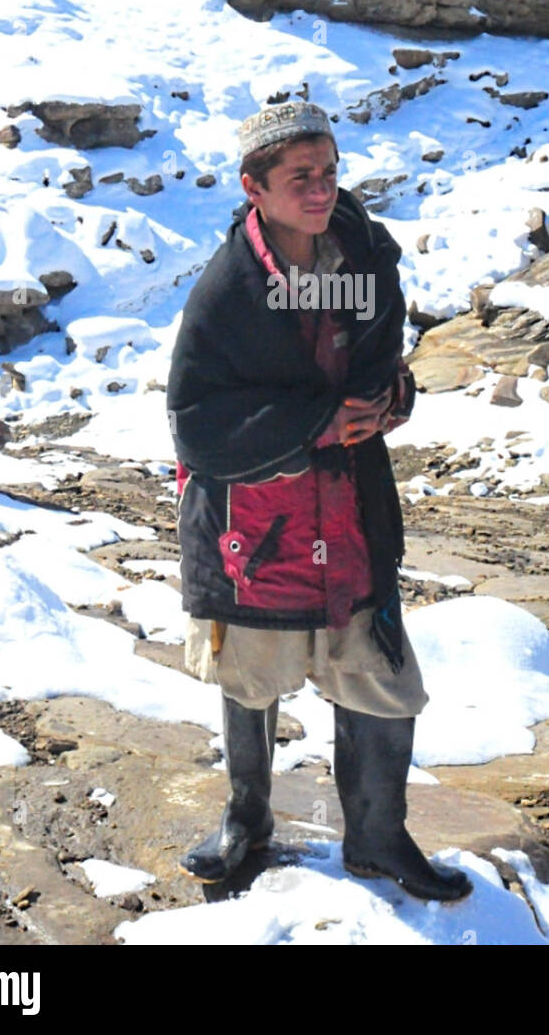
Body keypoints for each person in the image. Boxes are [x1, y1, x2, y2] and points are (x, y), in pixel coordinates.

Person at [165, 100, 472, 903]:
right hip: (256, 522)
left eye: (329, 171)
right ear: (254, 187)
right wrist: (317, 423)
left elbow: (381, 354)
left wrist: (387, 400)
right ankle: (247, 819)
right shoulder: (226, 291)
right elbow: (197, 425)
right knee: (252, 676)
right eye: (300, 176)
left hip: (349, 506)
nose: (321, 189)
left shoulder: (365, 254)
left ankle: (377, 838)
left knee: (376, 677)